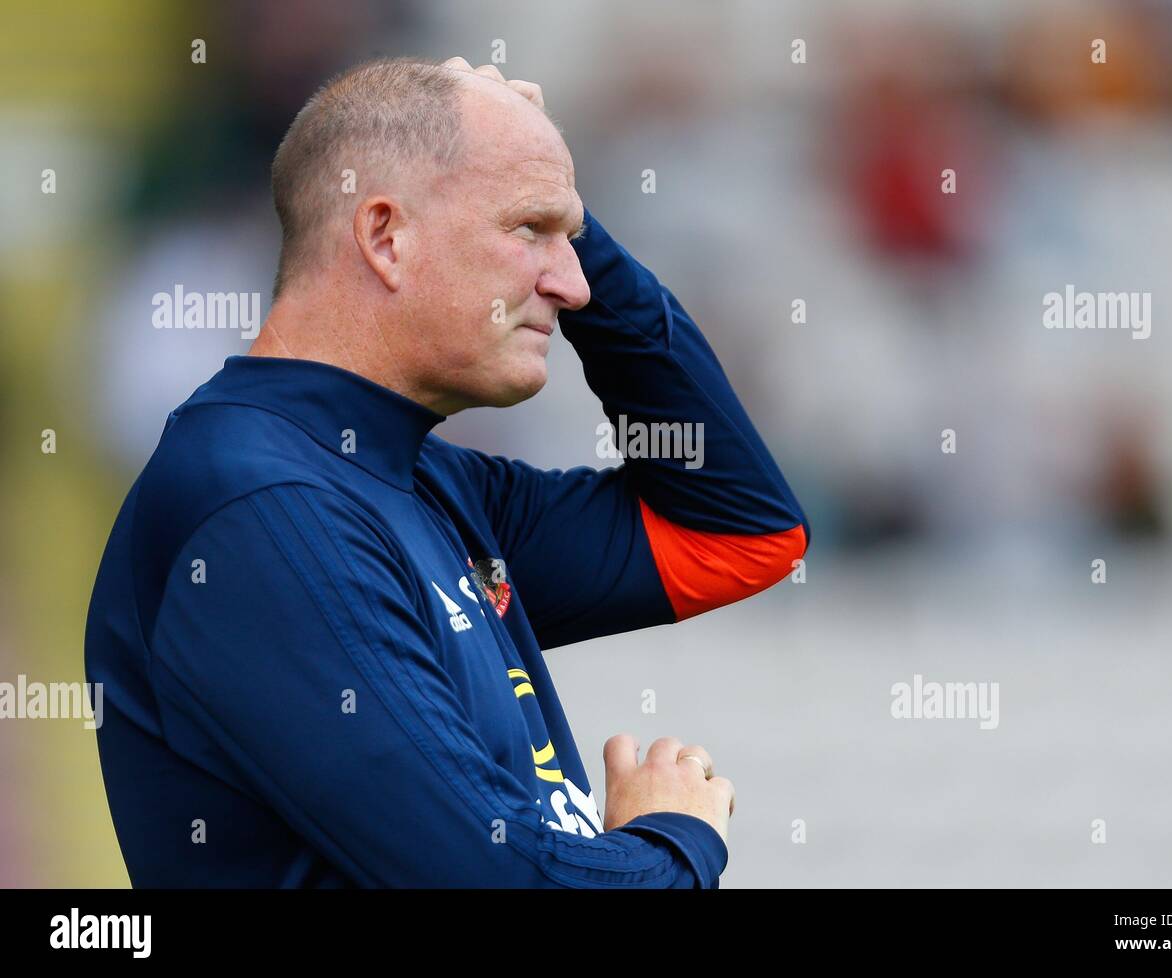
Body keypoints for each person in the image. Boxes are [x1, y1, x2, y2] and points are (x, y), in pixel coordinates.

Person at [84, 56, 809, 888]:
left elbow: (746, 534)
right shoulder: (260, 508)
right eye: (531, 231)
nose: (574, 287)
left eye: (569, 241)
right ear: (386, 238)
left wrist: (562, 206)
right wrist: (676, 841)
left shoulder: (418, 480)